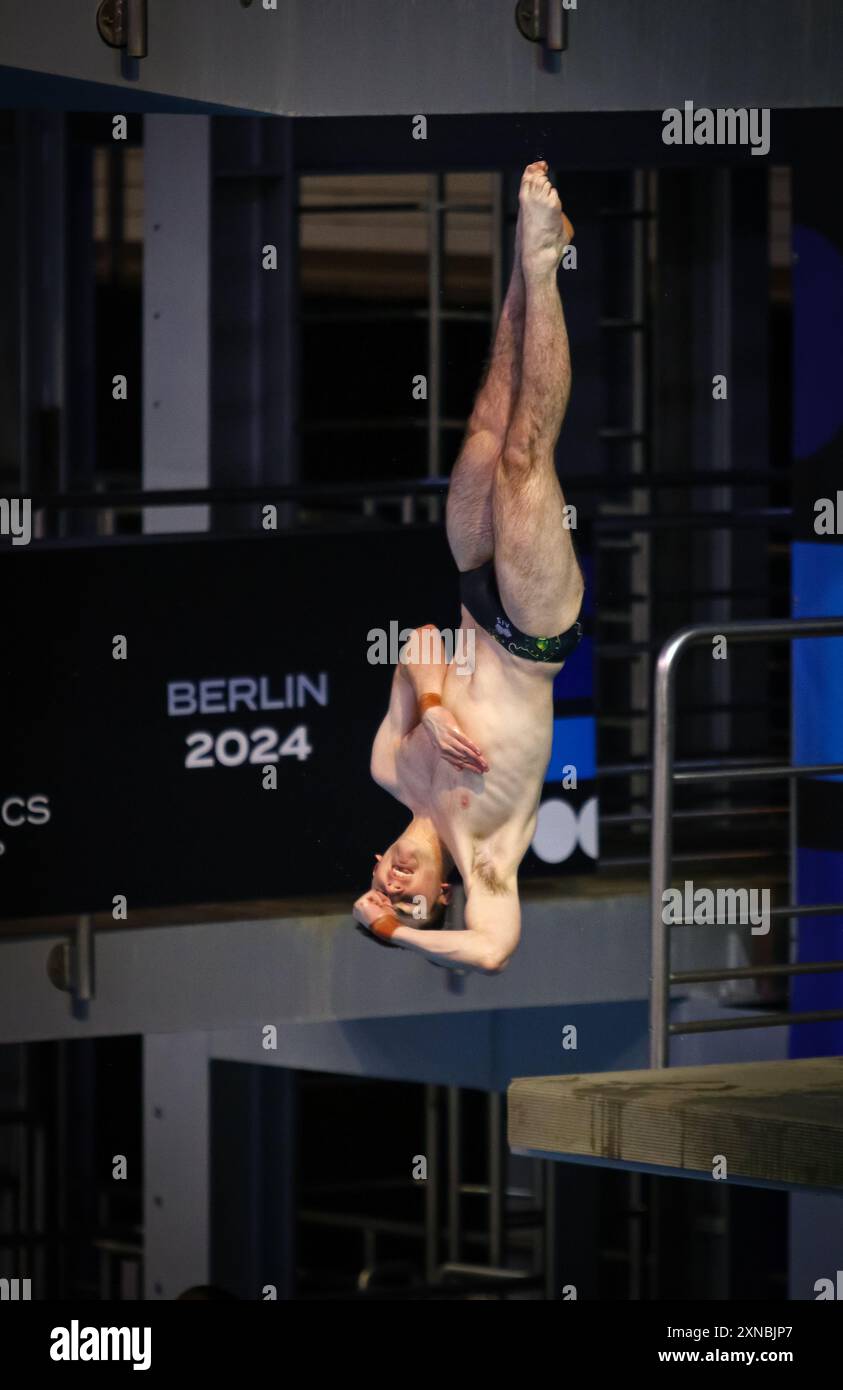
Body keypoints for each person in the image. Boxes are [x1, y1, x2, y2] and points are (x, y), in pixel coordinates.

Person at [352, 161, 584, 973]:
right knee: (523, 461)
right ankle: (543, 268)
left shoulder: (392, 767)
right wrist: (392, 935)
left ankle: (529, 257)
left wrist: (436, 704)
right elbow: (492, 954)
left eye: (382, 887)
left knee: (487, 424)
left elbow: (417, 641)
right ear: (441, 896)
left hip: (471, 598)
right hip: (531, 635)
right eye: (408, 900)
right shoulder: (485, 857)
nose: (396, 885)